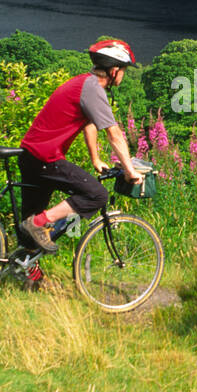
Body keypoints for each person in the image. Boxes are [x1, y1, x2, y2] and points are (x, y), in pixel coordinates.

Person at [18, 37, 144, 255]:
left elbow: (89, 124)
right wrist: (130, 171)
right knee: (96, 195)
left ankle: (27, 273)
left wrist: (95, 159)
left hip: (31, 155)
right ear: (114, 71)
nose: (124, 74)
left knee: (28, 227)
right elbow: (114, 134)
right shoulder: (93, 89)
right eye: (124, 70)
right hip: (45, 158)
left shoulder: (84, 82)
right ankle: (39, 223)